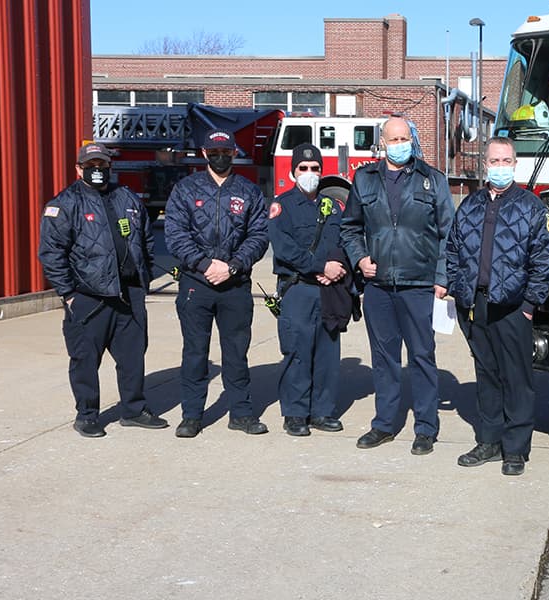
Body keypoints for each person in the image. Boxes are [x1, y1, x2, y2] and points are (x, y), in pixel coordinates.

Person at [339, 116, 454, 455]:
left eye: (405, 138)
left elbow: (449, 233)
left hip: (419, 285)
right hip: (379, 287)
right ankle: (384, 424)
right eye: (394, 139)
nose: (401, 144)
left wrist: (442, 277)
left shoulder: (432, 179)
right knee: (384, 358)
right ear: (383, 143)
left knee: (422, 356)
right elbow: (350, 227)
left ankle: (425, 428)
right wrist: (360, 259)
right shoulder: (364, 179)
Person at [445, 137, 549, 476]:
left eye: (506, 161)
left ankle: (515, 449)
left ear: (515, 164)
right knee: (486, 374)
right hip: (475, 304)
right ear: (485, 164)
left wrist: (529, 304)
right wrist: (457, 289)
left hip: (512, 308)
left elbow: (545, 259)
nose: (500, 167)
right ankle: (489, 440)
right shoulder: (470, 205)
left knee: (516, 378)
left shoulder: (532, 207)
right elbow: (453, 250)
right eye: (494, 161)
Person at [39, 143, 168, 437]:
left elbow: (146, 240)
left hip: (129, 294)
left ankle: (134, 410)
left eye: (102, 165)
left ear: (110, 167)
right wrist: (68, 293)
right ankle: (87, 415)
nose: (97, 170)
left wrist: (144, 280)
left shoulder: (127, 198)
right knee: (85, 360)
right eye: (90, 165)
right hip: (89, 297)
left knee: (133, 357)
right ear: (79, 169)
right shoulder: (64, 204)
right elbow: (51, 253)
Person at [164, 129, 270, 438]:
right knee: (195, 353)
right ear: (204, 153)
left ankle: (241, 413)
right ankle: (191, 416)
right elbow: (176, 234)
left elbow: (259, 236)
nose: (219, 157)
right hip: (196, 284)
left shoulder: (248, 191)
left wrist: (233, 266)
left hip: (235, 285)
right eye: (214, 152)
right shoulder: (186, 189)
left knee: (236, 353)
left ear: (235, 153)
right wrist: (205, 264)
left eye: (225, 152)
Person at [268, 143, 356, 436]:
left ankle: (322, 411)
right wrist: (321, 267)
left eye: (315, 168)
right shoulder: (282, 205)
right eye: (303, 168)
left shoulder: (332, 206)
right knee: (297, 352)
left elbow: (344, 240)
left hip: (329, 290)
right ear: (293, 171)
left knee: (328, 354)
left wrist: (337, 266)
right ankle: (295, 413)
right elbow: (284, 249)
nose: (309, 173)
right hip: (298, 288)